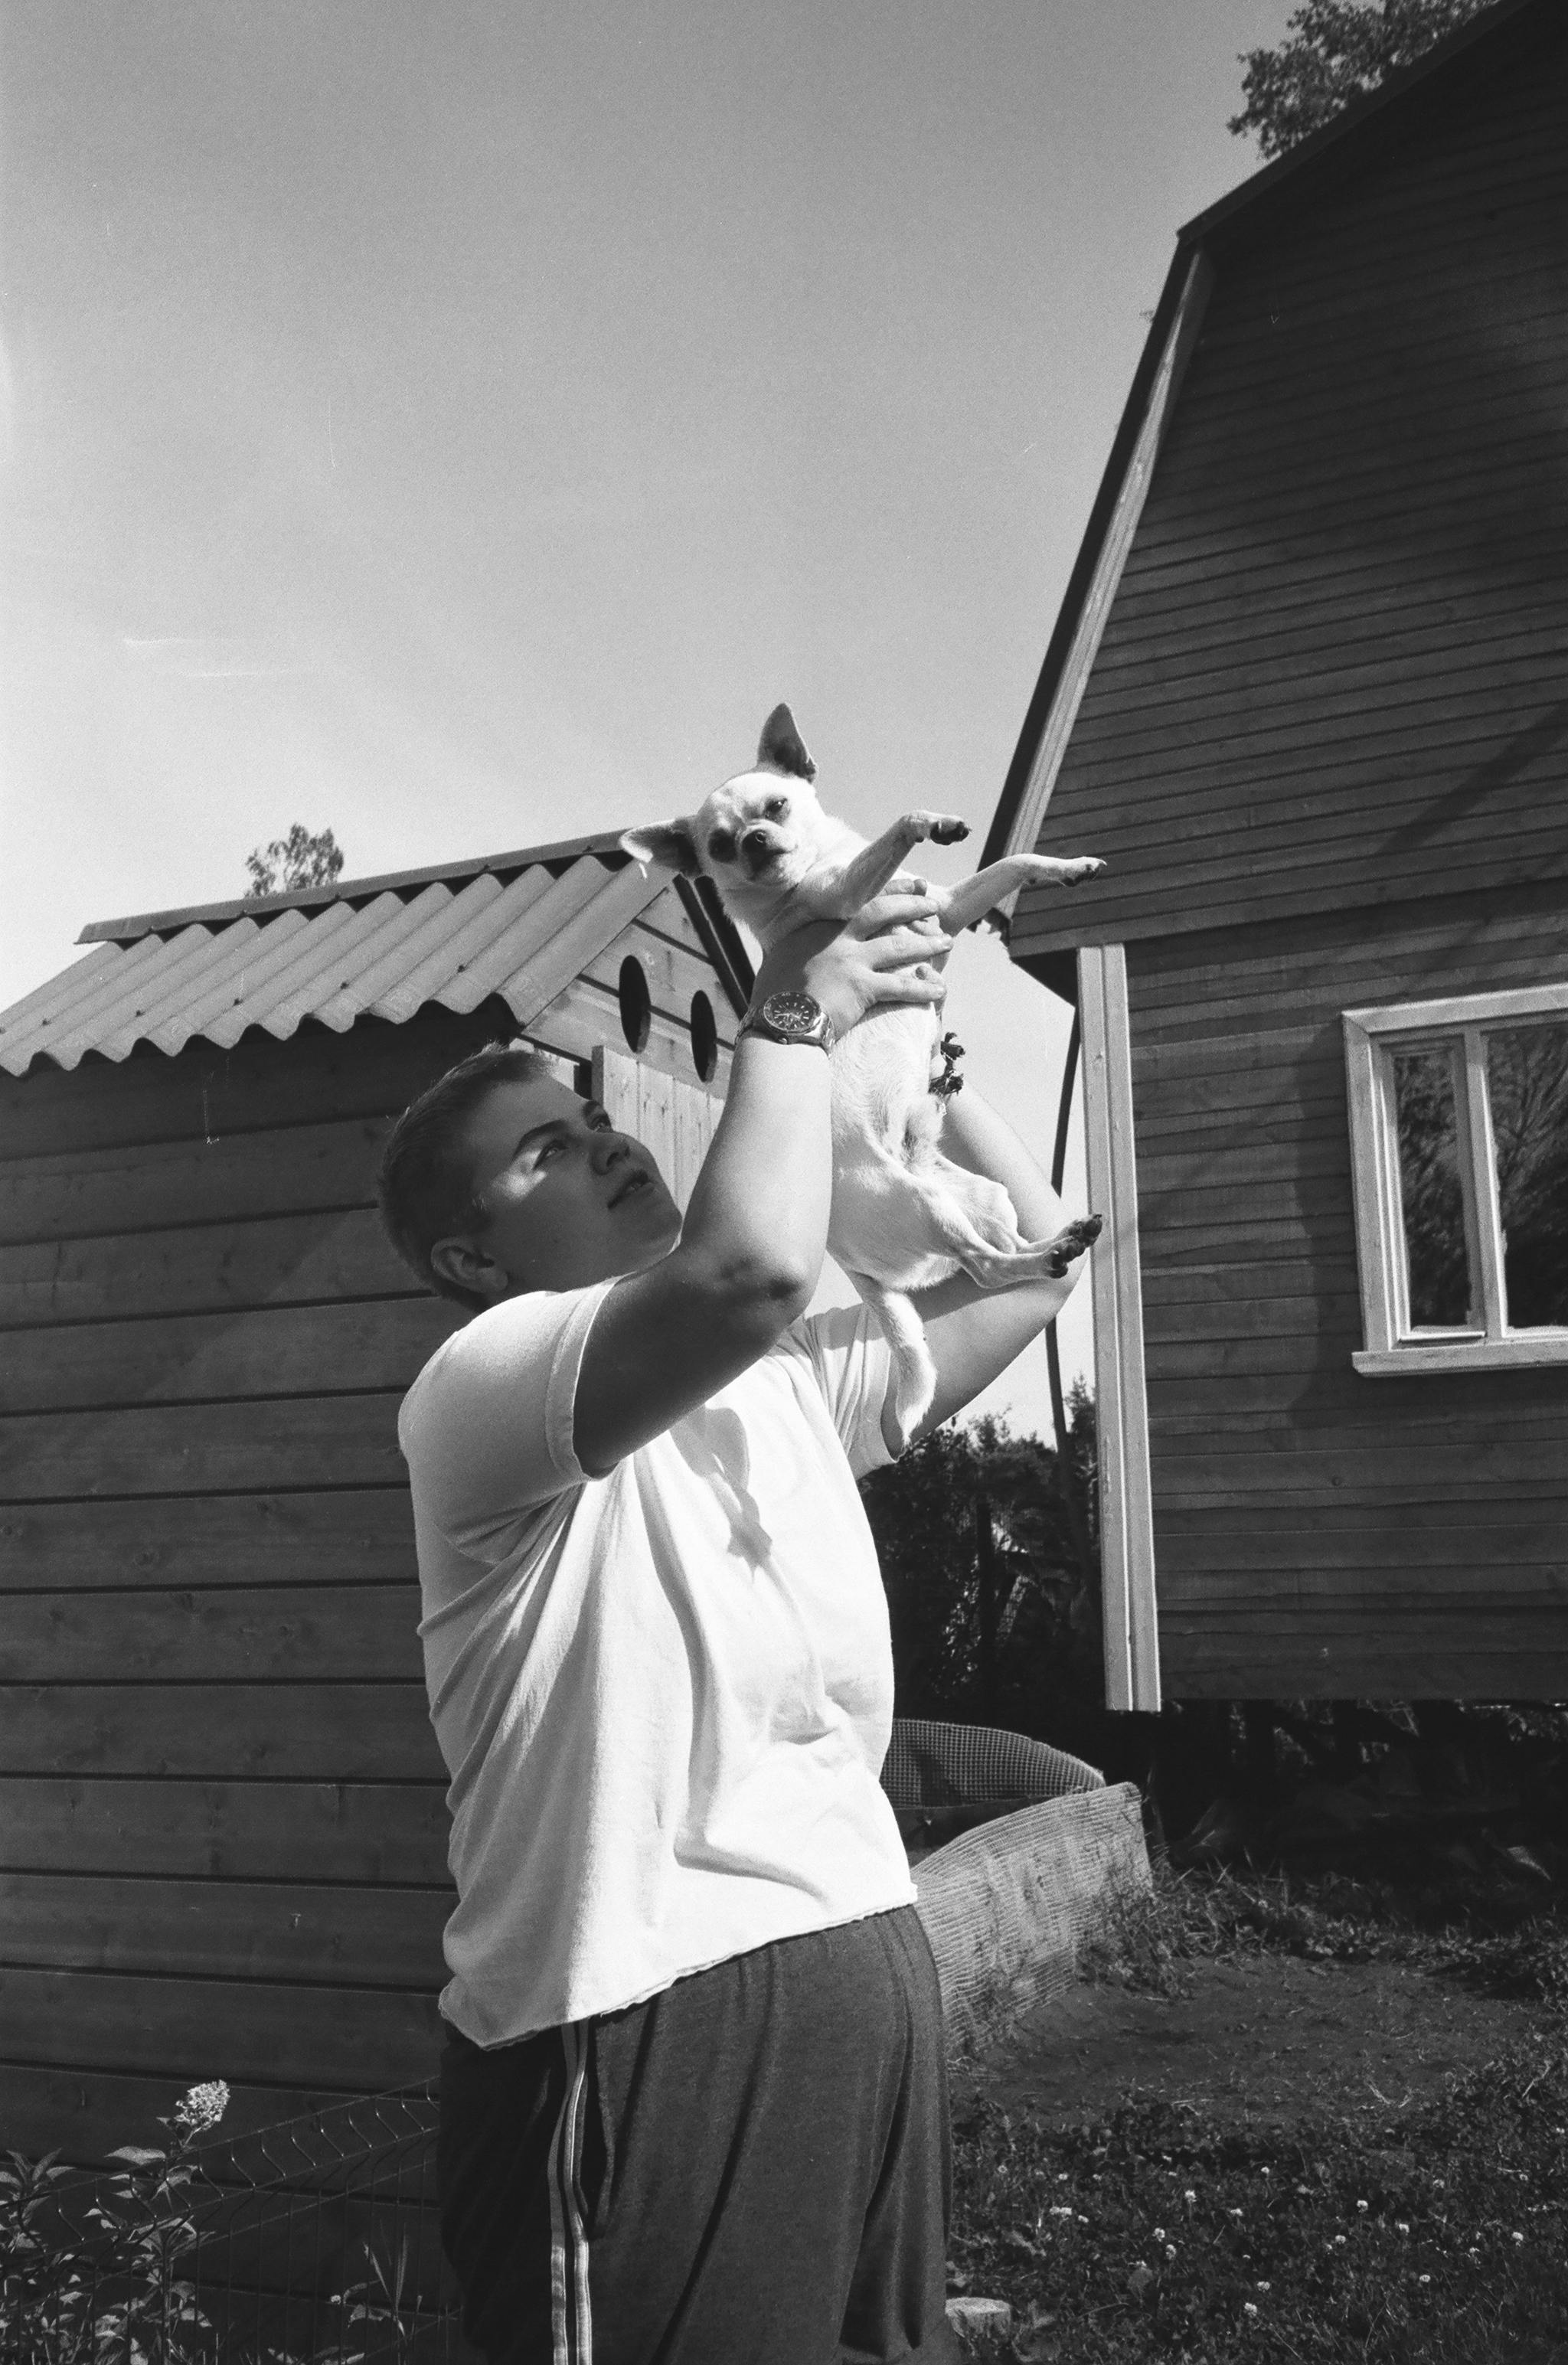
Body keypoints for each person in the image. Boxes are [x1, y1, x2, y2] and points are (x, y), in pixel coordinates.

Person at [375, 890, 1092, 2365]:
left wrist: (931, 1072)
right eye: (544, 1151)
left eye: (590, 1118)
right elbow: (750, 1269)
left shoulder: (772, 1384)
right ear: (468, 1260)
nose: (606, 1143)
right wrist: (792, 1012)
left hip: (859, 1958)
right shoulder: (476, 1389)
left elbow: (1039, 1265)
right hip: (636, 2016)